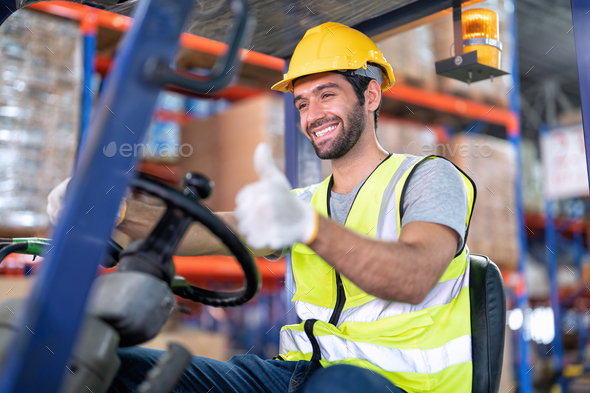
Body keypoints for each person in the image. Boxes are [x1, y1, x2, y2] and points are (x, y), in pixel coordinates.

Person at [47, 22, 475, 393]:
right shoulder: (305, 201)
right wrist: (113, 211)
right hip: (294, 376)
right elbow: (212, 227)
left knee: (339, 385)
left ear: (371, 96)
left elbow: (414, 276)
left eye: (327, 95)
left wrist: (310, 228)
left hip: (397, 384)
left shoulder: (429, 178)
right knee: (116, 368)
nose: (312, 114)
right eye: (302, 103)